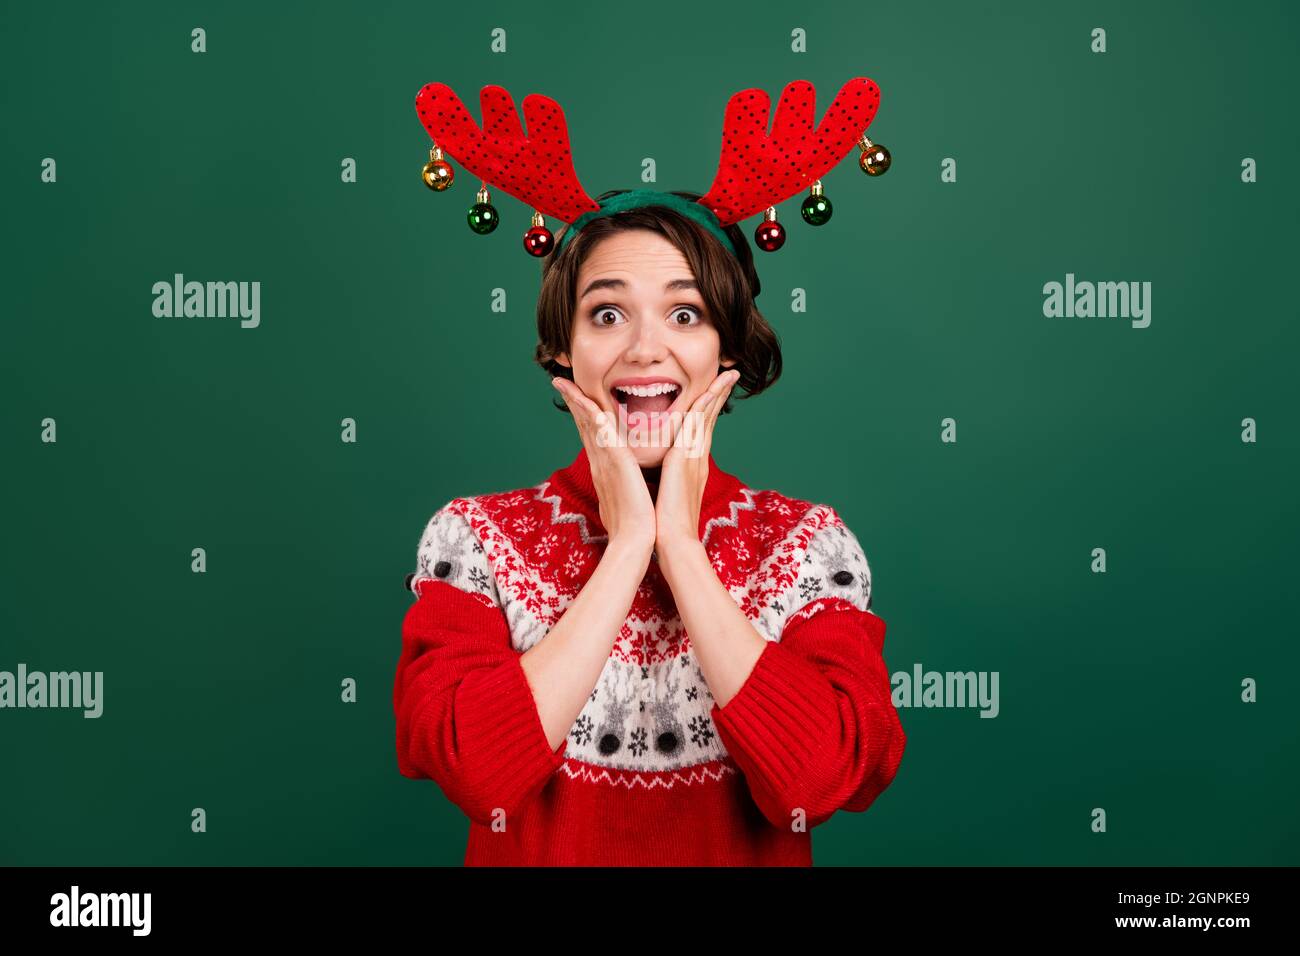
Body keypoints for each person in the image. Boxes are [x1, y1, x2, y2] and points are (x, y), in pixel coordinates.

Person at [393, 188, 906, 866]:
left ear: (728, 348)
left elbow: (819, 780)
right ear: (562, 349)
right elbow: (479, 774)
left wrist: (683, 551)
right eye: (607, 313)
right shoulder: (473, 538)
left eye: (685, 313)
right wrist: (629, 545)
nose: (643, 348)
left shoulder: (808, 545)